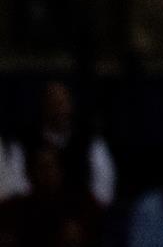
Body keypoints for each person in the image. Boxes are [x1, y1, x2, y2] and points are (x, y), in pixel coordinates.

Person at [0, 80, 114, 208]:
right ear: (43, 105)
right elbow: (17, 185)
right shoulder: (24, 140)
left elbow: (103, 188)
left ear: (71, 104)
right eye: (53, 103)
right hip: (34, 213)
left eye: (62, 102)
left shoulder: (89, 140)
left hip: (79, 214)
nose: (58, 108)